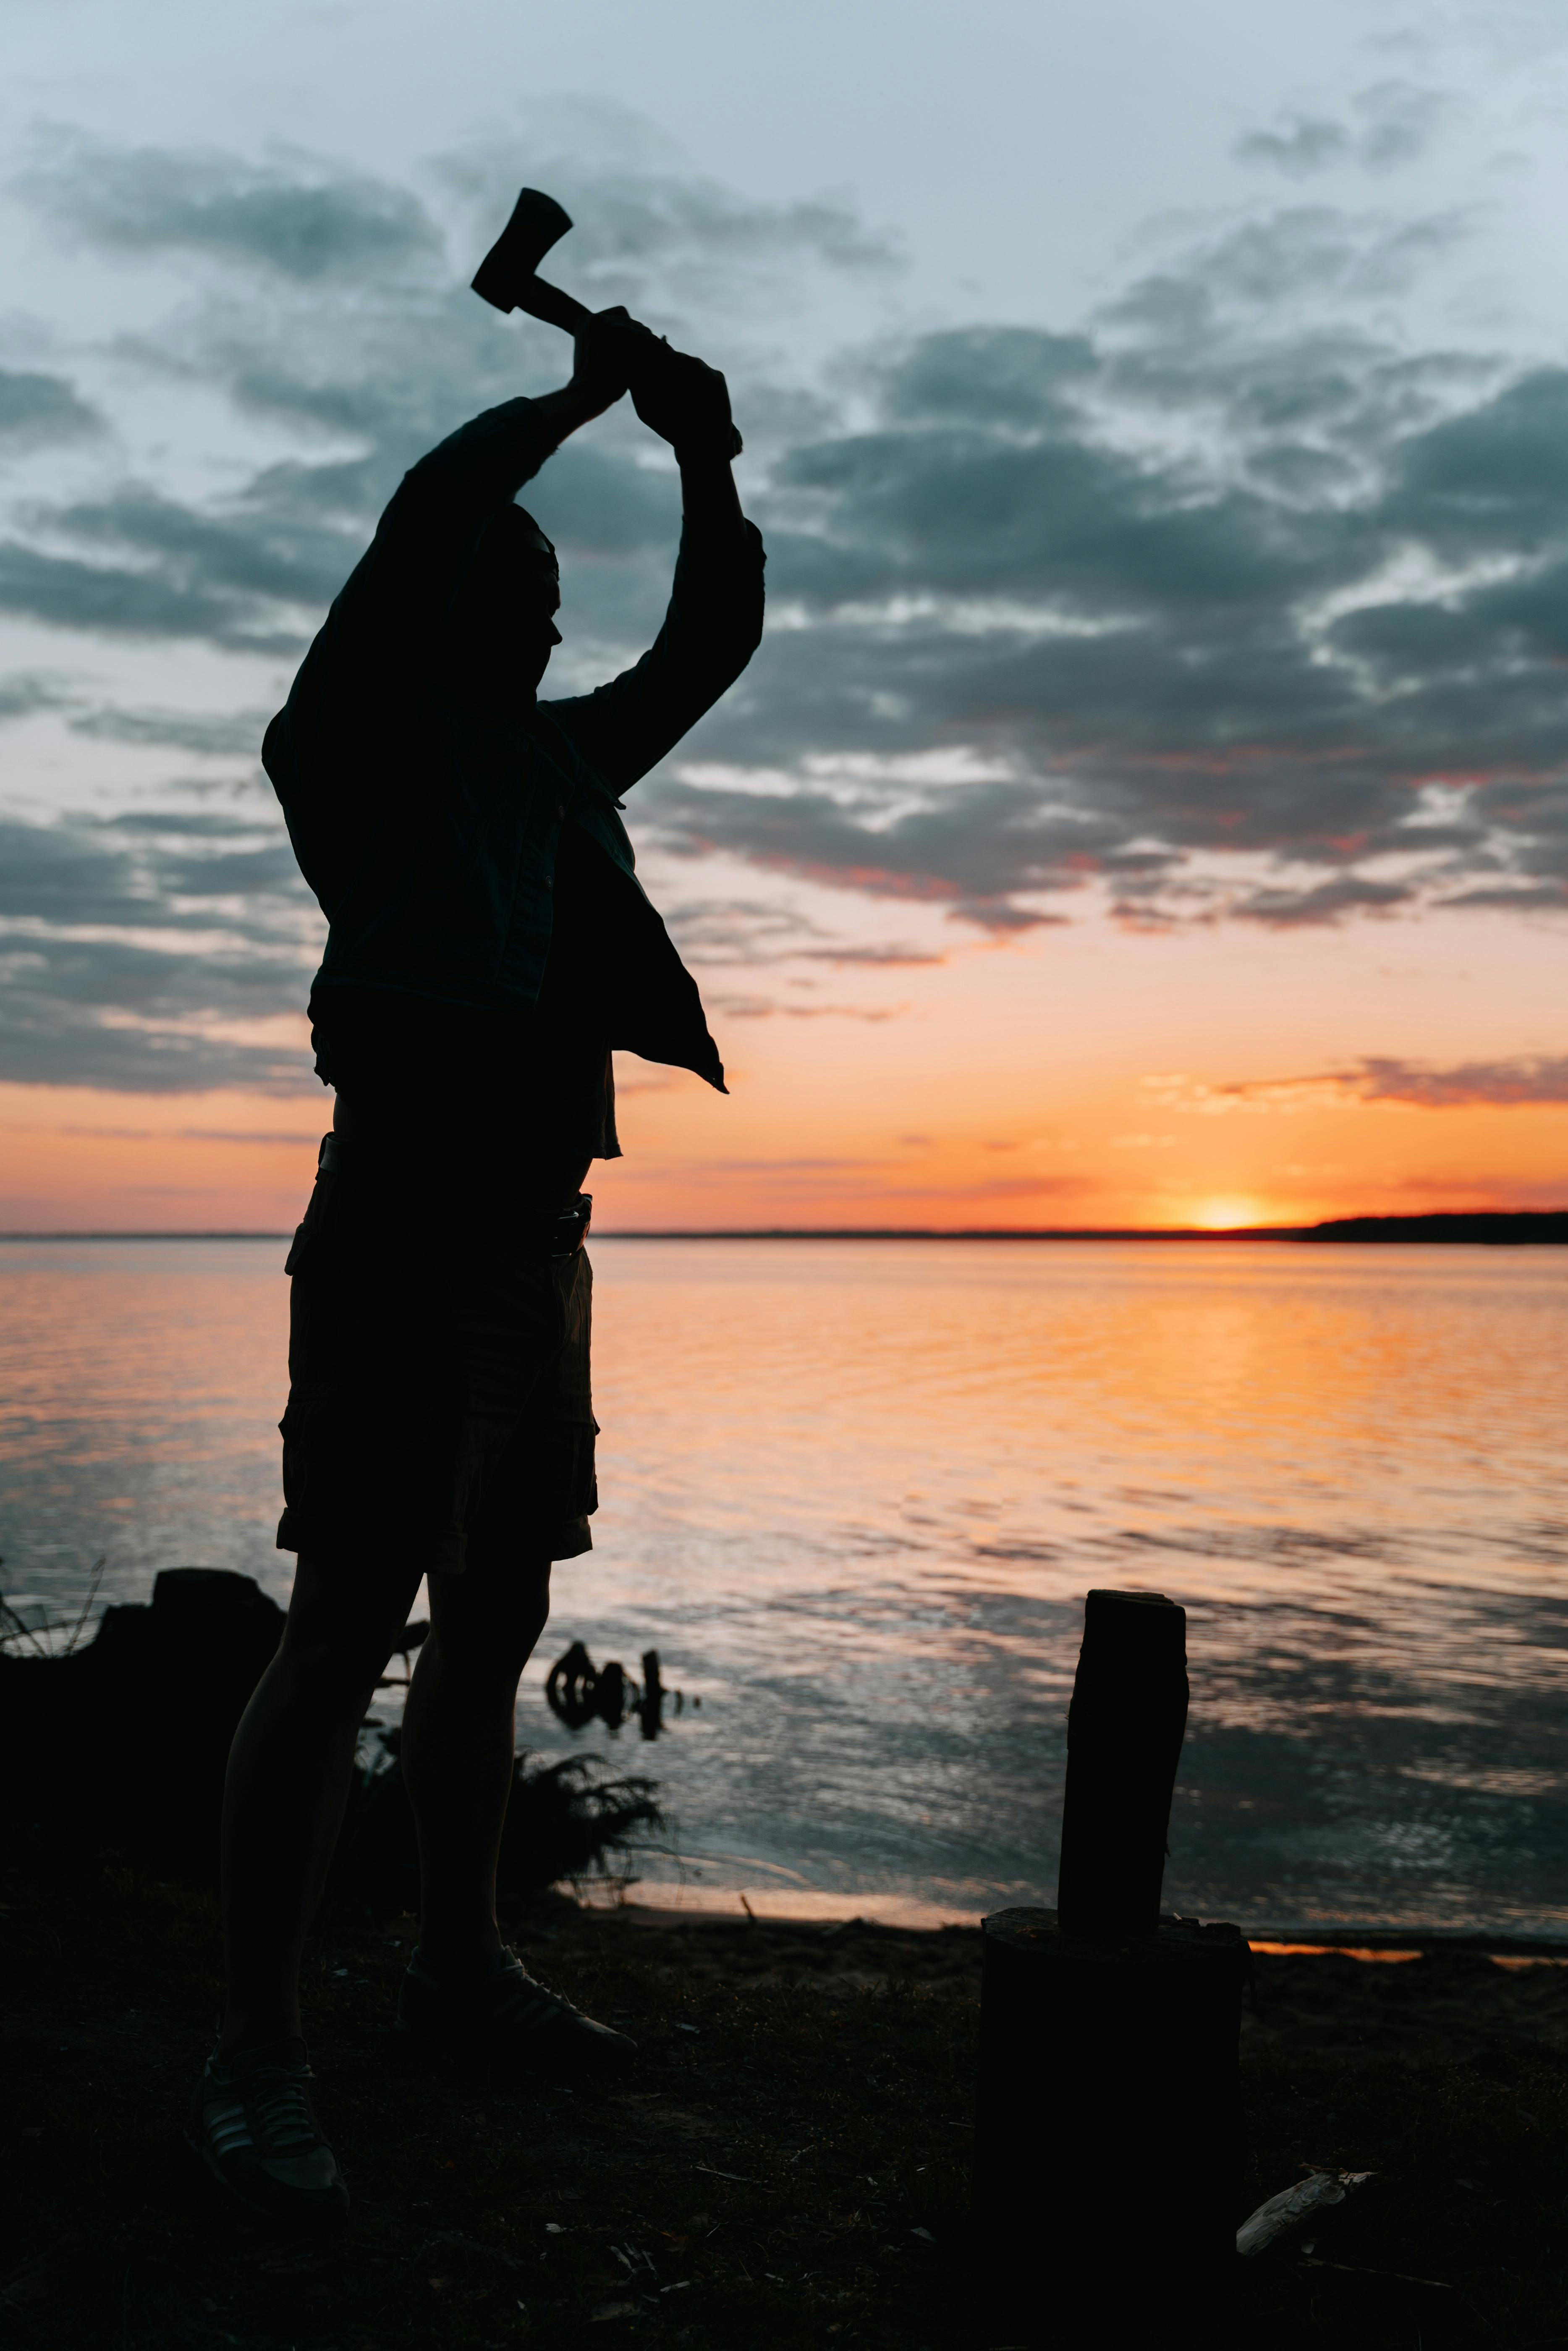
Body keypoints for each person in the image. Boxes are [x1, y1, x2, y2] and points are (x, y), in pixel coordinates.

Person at [187, 308, 765, 2229]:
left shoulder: (556, 767)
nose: (535, 606)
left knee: (497, 1610)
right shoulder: (350, 754)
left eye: (544, 587)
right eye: (506, 578)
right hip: (403, 1230)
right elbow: (429, 505)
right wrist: (576, 400)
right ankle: (255, 2051)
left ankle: (455, 1967)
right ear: (436, 597)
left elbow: (708, 646)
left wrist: (702, 453)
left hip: (540, 1243)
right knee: (342, 1617)